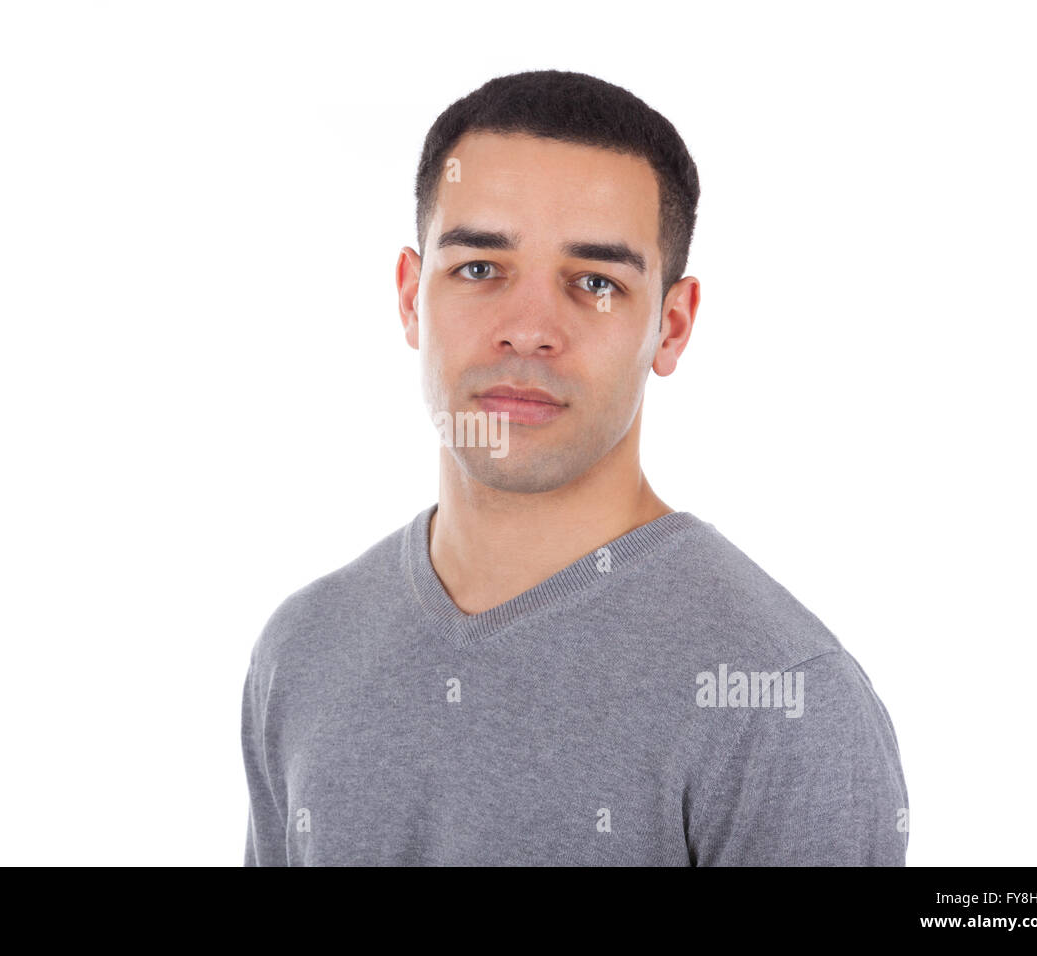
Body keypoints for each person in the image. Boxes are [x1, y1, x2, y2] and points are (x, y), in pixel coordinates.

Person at [242, 69, 908, 866]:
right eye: (480, 269)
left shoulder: (783, 700)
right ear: (410, 296)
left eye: (595, 282)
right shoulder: (306, 647)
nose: (528, 331)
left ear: (673, 326)